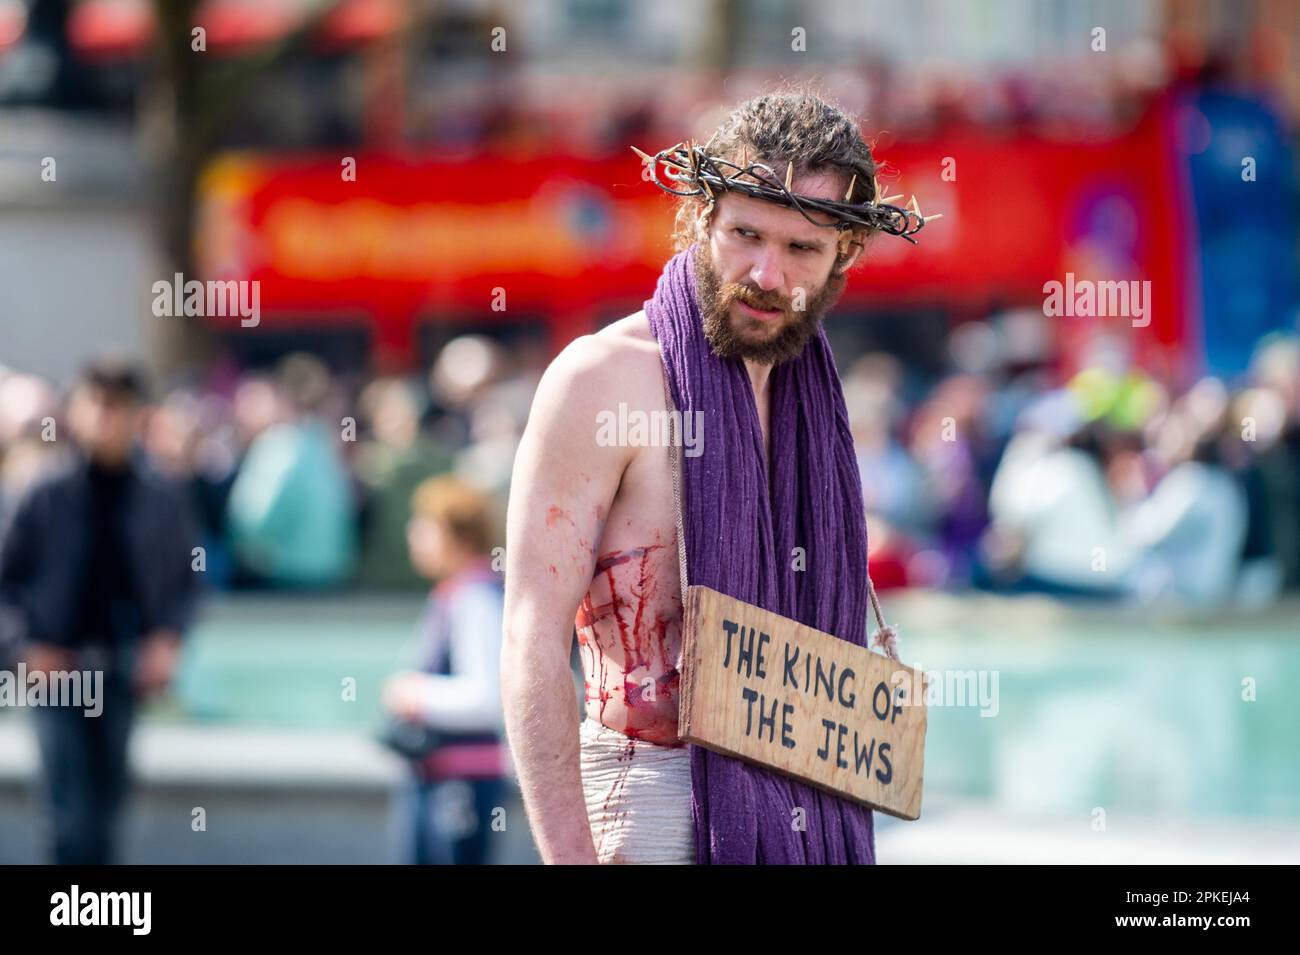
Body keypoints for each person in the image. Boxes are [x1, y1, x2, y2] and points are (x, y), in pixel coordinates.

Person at [502, 89, 923, 864]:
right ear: (700, 218)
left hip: (809, 817)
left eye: (803, 249)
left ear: (847, 257)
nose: (766, 273)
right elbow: (531, 637)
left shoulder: (818, 405)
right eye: (745, 235)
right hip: (648, 806)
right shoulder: (602, 381)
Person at [0, 359, 200, 864]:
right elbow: (7, 584)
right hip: (57, 671)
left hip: (119, 665)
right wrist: (26, 648)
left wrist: (167, 639)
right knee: (68, 816)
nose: (106, 419)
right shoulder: (44, 494)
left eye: (118, 406)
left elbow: (187, 581)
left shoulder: (159, 497)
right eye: (97, 405)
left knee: (107, 811)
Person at [382, 476, 507, 864]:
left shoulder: (476, 598)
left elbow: (487, 697)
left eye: (424, 526)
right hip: (442, 774)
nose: (413, 535)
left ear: (456, 535)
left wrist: (413, 694)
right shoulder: (462, 593)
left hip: (460, 779)